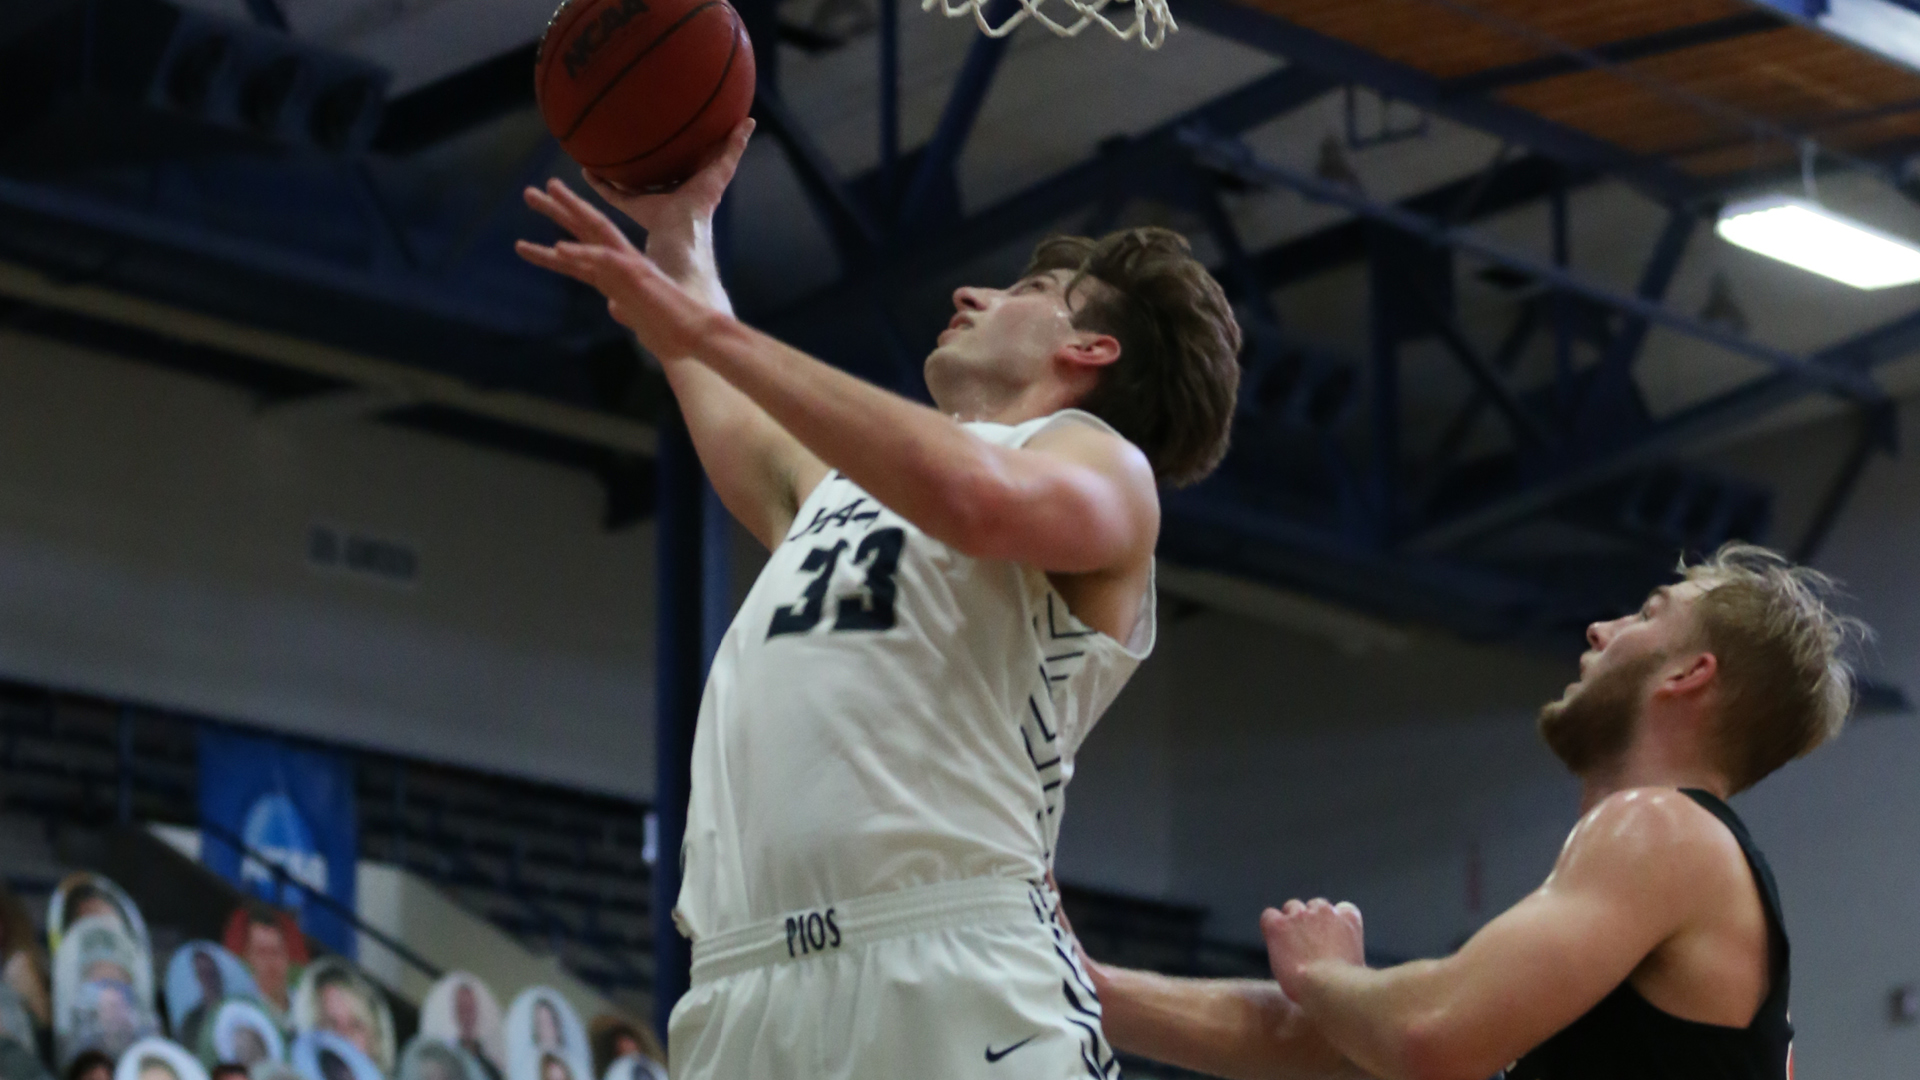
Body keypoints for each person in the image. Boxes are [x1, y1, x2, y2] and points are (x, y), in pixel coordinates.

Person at [517, 114, 1240, 1080]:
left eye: (1025, 290)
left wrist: (709, 330)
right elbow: (726, 399)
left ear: (1093, 350)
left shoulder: (1101, 468)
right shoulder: (845, 488)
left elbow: (975, 499)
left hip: (951, 973)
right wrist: (683, 239)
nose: (970, 292)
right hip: (741, 984)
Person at [1083, 544, 1860, 1080]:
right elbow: (1333, 1041)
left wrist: (1322, 972)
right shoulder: (1644, 884)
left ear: (1690, 672)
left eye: (1647, 615)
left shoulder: (1662, 829)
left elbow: (1427, 1036)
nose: (1602, 627)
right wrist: (1080, 987)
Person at [174, 951, 224, 1051]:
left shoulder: (235, 1008)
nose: (208, 979)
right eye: (202, 973)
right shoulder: (191, 1020)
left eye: (210, 973)